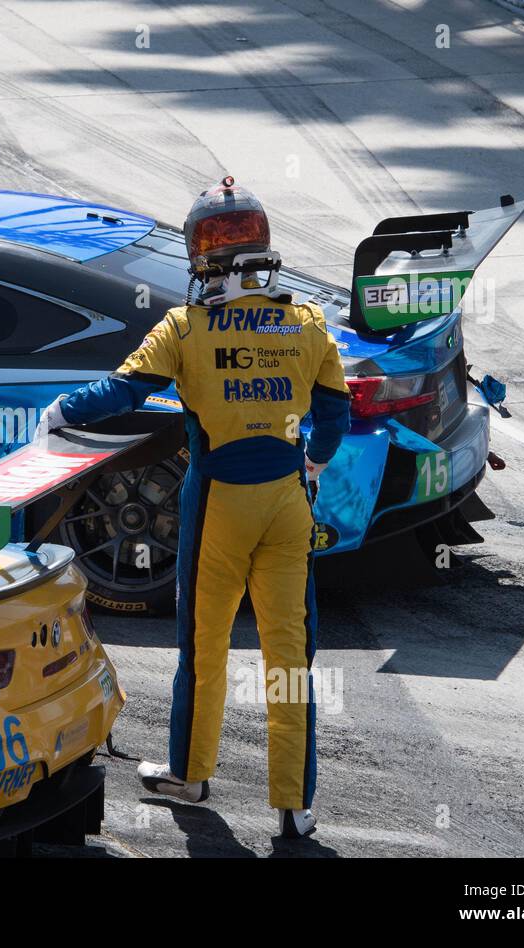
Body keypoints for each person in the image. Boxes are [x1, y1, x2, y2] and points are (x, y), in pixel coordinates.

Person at [35, 177, 350, 838]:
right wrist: (313, 464)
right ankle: (295, 807)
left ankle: (192, 773)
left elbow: (122, 392)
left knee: (204, 647)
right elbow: (334, 416)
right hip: (288, 503)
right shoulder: (307, 322)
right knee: (290, 656)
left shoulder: (185, 328)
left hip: (218, 508)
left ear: (203, 259)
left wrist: (60, 411)